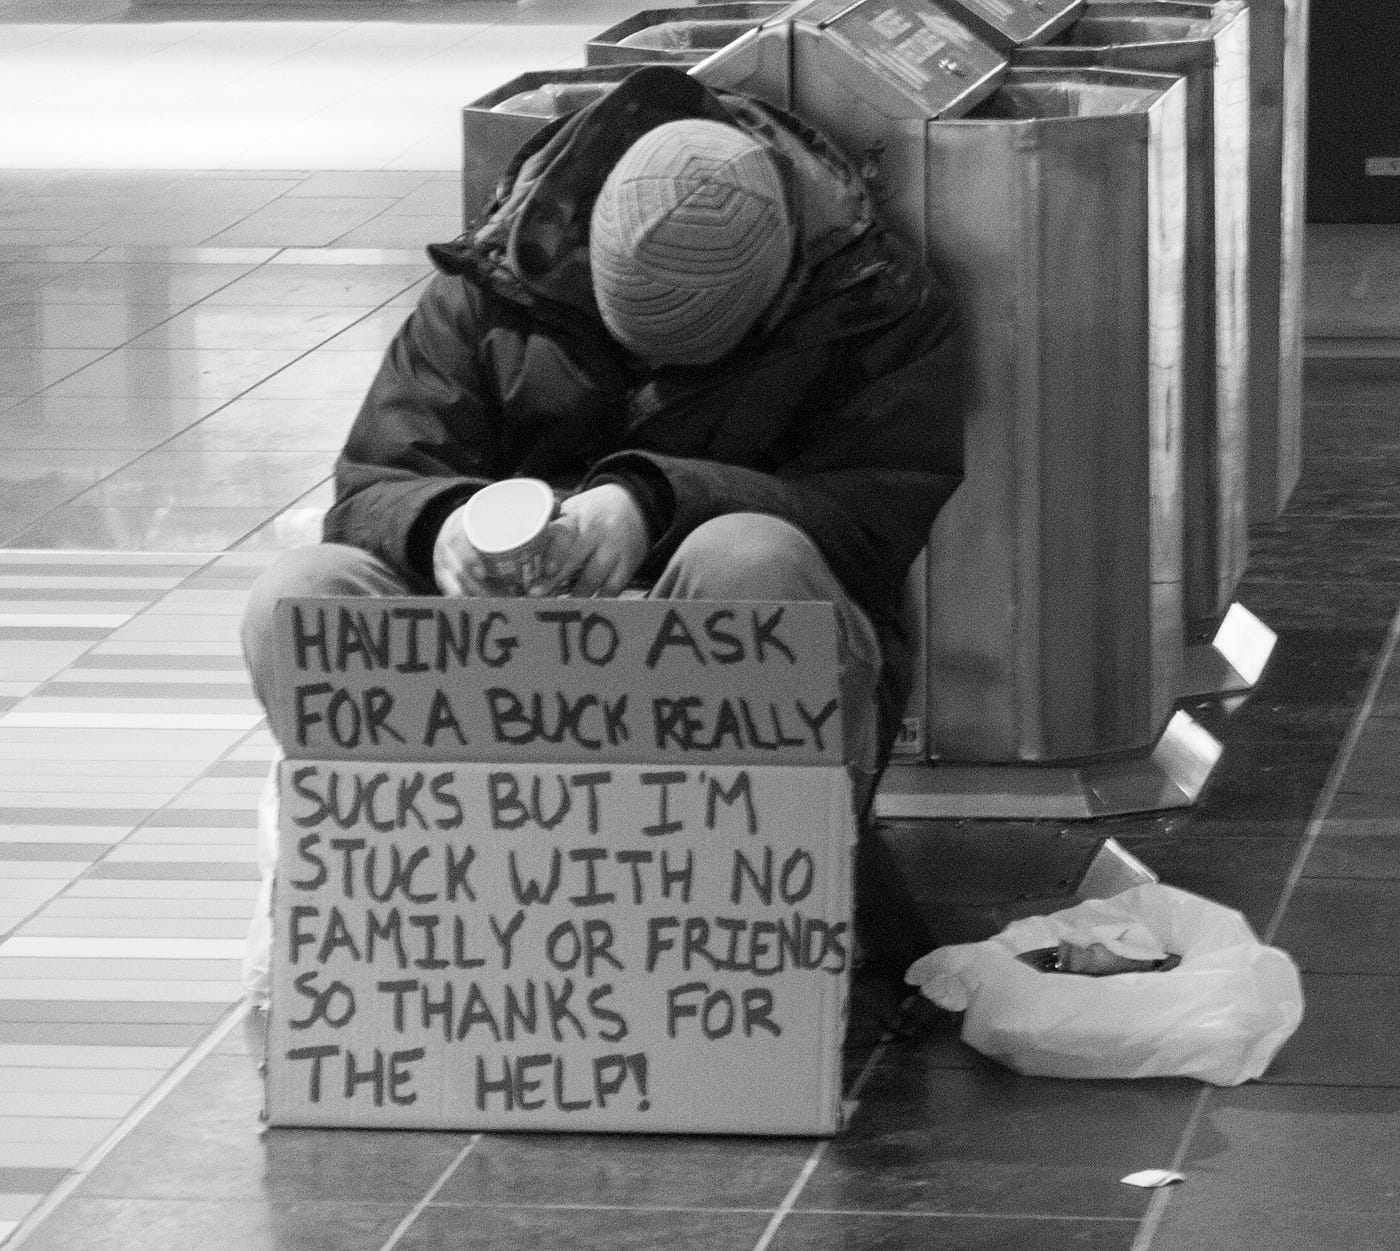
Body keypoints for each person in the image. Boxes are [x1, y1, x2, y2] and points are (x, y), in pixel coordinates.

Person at [238, 64, 965, 999]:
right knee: (299, 597)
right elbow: (374, 481)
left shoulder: (876, 302)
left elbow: (870, 521)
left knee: (750, 560)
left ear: (778, 280)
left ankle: (735, 924)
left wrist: (653, 503)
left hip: (711, 651)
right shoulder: (497, 277)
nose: (647, 364)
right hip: (497, 660)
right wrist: (442, 529)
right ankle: (413, 917)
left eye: (686, 350)